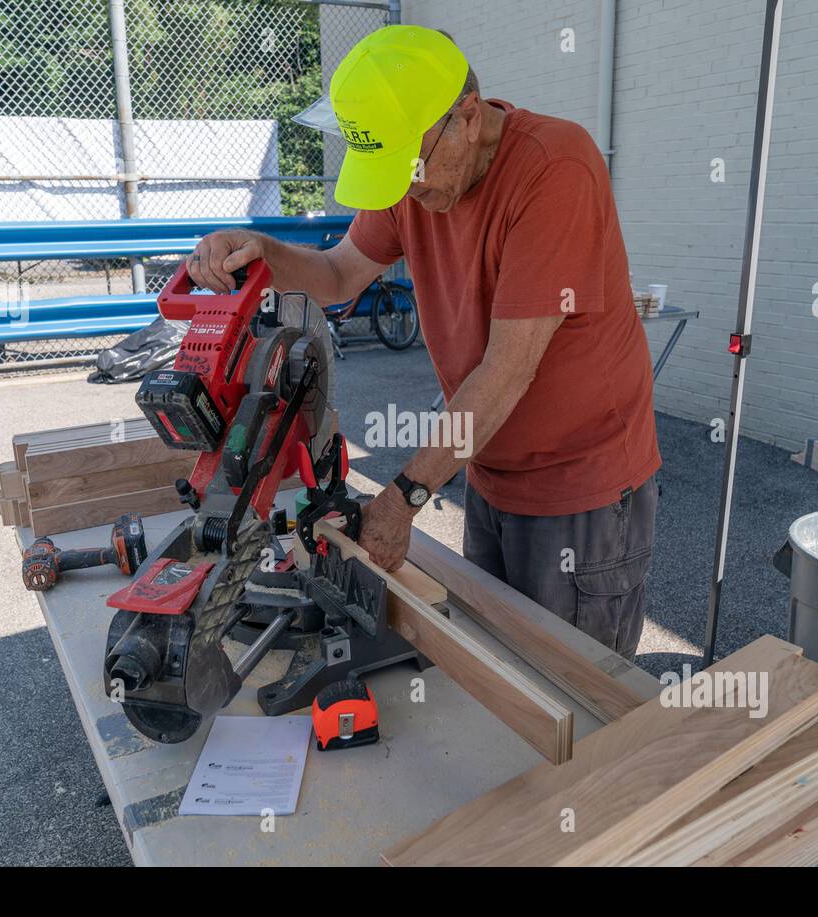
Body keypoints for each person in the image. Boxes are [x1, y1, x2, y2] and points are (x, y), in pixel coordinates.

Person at [185, 25, 659, 658]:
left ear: (466, 117)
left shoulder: (555, 169)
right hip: (489, 467)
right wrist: (261, 249)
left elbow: (506, 371)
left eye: (410, 169)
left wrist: (404, 495)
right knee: (500, 669)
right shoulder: (415, 172)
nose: (406, 189)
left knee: (576, 694)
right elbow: (337, 274)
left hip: (582, 487)